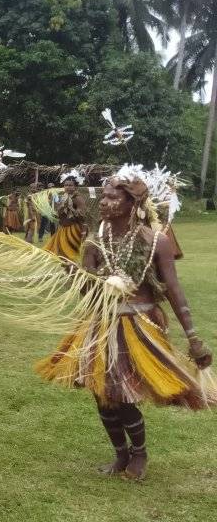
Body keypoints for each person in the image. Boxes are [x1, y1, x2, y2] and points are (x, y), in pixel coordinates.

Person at [35, 165, 213, 480]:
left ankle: (139, 455)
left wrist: (193, 337)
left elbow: (173, 290)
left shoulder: (156, 241)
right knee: (101, 393)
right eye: (103, 196)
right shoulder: (94, 239)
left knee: (122, 392)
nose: (104, 202)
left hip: (139, 324)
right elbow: (87, 289)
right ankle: (120, 454)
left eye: (113, 197)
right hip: (101, 324)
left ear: (133, 204)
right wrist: (83, 277)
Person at [42, 170, 88, 263]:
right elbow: (59, 212)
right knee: (61, 254)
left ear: (76, 187)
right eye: (66, 185)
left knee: (69, 254)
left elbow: (82, 215)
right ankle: (68, 270)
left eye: (70, 185)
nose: (67, 187)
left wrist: (71, 208)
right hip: (63, 228)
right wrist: (61, 208)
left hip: (74, 229)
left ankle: (72, 270)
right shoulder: (64, 196)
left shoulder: (77, 198)